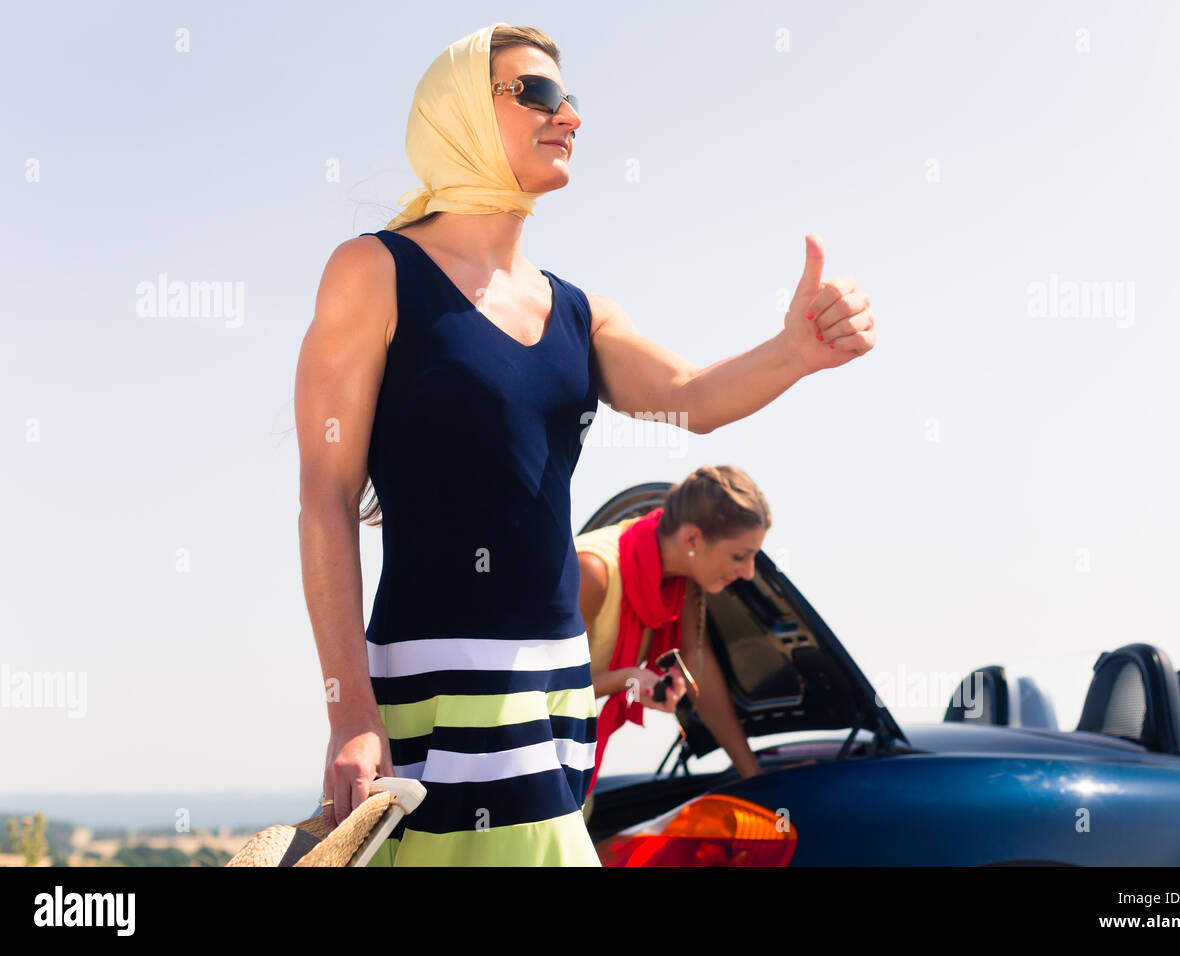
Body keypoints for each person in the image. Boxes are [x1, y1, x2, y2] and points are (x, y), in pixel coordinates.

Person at [294, 22, 876, 867]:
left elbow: (691, 399)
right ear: (457, 111)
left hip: (558, 690)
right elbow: (325, 499)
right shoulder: (372, 273)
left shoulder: (581, 311)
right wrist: (350, 714)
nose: (566, 115)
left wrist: (794, 354)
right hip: (432, 686)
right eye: (535, 92)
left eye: (570, 99)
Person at [574, 465, 769, 820]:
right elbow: (538, 694)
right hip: (506, 772)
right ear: (692, 540)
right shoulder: (592, 573)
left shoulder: (682, 581)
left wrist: (754, 778)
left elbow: (699, 674)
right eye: (740, 556)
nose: (749, 573)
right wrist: (626, 679)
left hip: (572, 779)